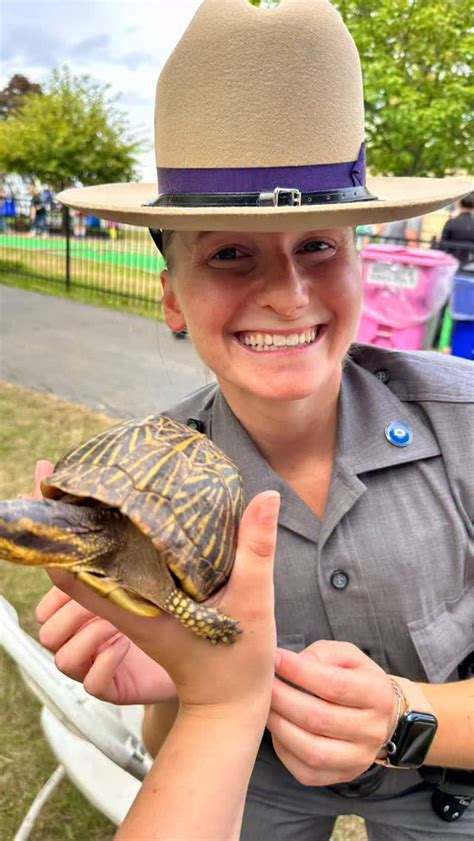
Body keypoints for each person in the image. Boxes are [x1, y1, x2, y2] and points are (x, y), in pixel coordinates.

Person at [33, 1, 473, 839]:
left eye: (320, 246)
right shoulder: (143, 488)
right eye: (231, 252)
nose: (289, 293)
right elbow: (181, 737)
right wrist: (174, 681)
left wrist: (406, 717)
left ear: (361, 262)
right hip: (251, 782)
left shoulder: (466, 425)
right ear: (171, 295)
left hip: (442, 783)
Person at [440, 193, 474, 267]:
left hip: (450, 262)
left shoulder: (451, 222)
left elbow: (442, 245)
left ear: (459, 204)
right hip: (469, 264)